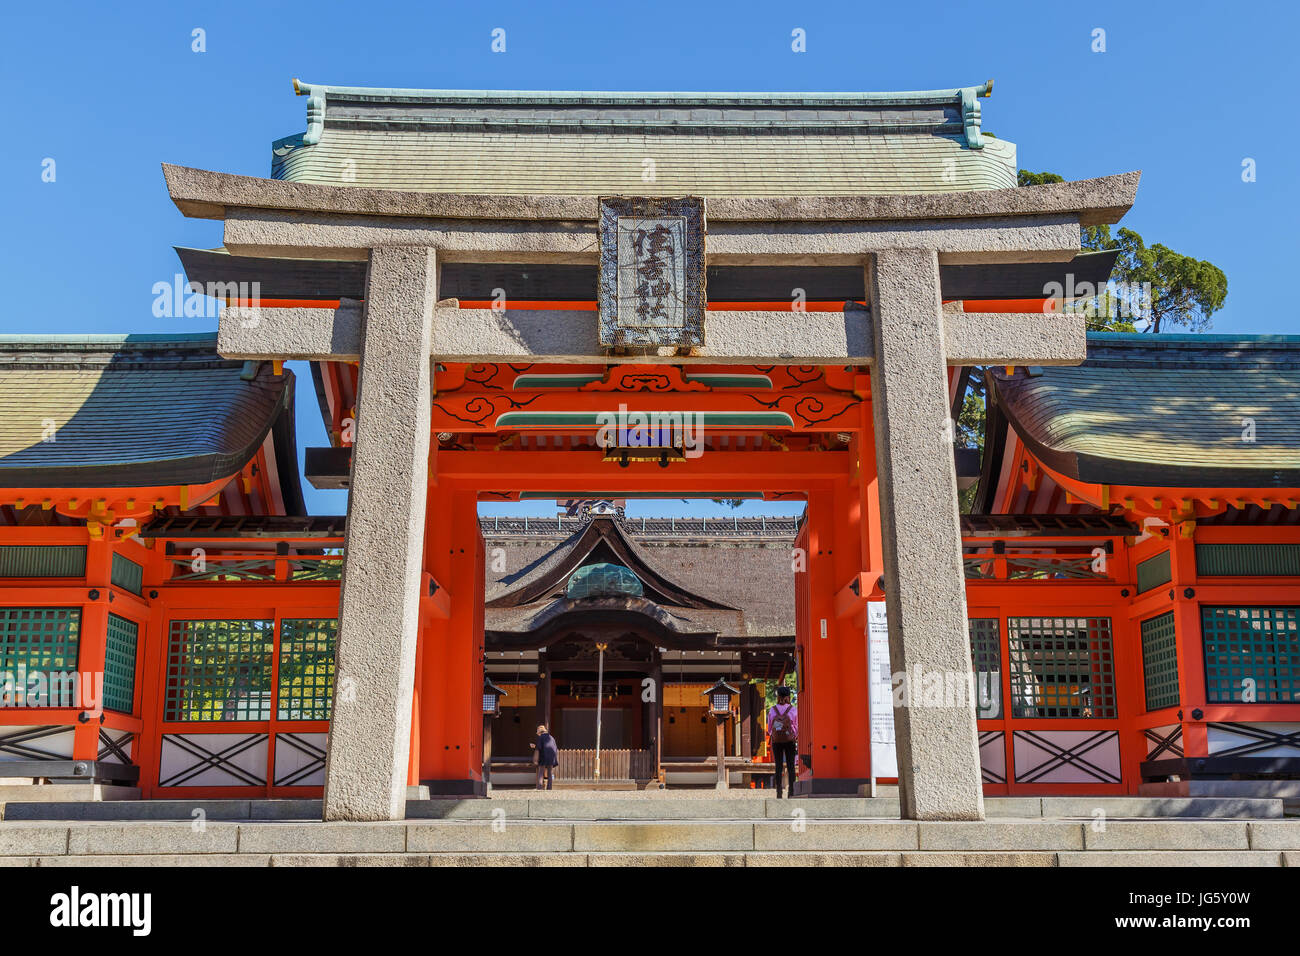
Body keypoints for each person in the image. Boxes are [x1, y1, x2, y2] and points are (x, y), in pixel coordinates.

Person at [767, 686, 799, 798]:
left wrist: (776, 732)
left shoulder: (772, 709)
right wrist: (793, 735)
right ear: (788, 696)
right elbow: (796, 727)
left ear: (778, 696)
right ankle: (791, 792)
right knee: (791, 766)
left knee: (778, 766)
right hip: (790, 740)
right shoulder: (793, 709)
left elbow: (769, 728)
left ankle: (779, 792)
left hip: (776, 741)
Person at [530, 723, 558, 790]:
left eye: (538, 733)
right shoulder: (551, 737)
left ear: (540, 732)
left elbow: (539, 748)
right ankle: (549, 788)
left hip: (544, 756)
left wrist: (534, 748)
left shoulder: (541, 737)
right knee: (549, 773)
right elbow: (555, 748)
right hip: (551, 757)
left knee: (541, 772)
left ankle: (539, 787)